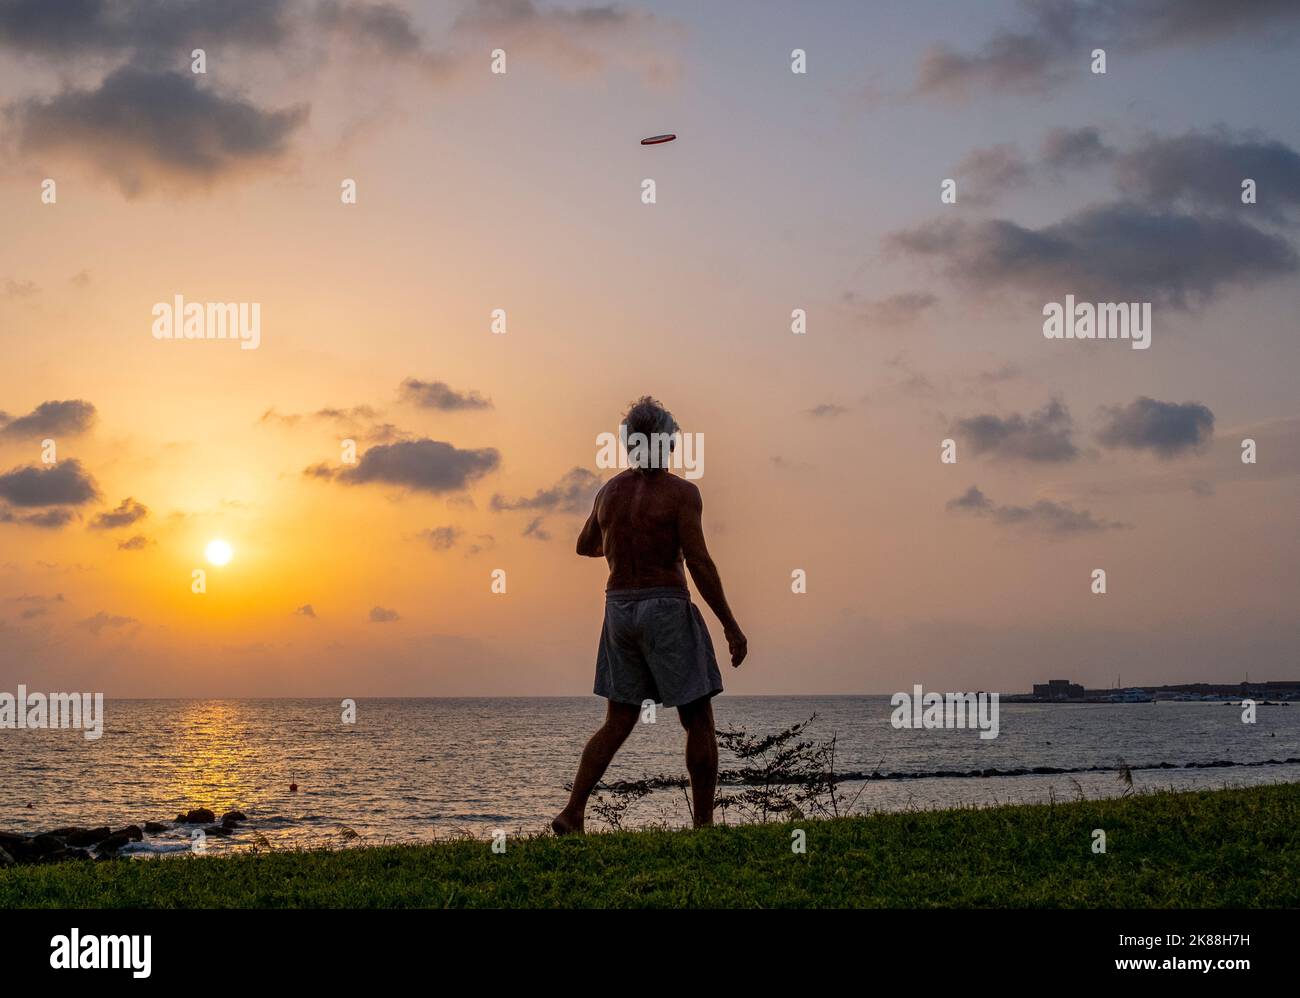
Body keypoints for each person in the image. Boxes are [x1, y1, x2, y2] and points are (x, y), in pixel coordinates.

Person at [552, 396, 747, 835]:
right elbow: (699, 562)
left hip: (618, 608)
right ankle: (704, 825)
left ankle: (573, 812)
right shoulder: (682, 494)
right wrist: (731, 625)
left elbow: (585, 544)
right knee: (697, 718)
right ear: (666, 442)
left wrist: (625, 541)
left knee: (618, 719)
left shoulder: (609, 492)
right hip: (664, 605)